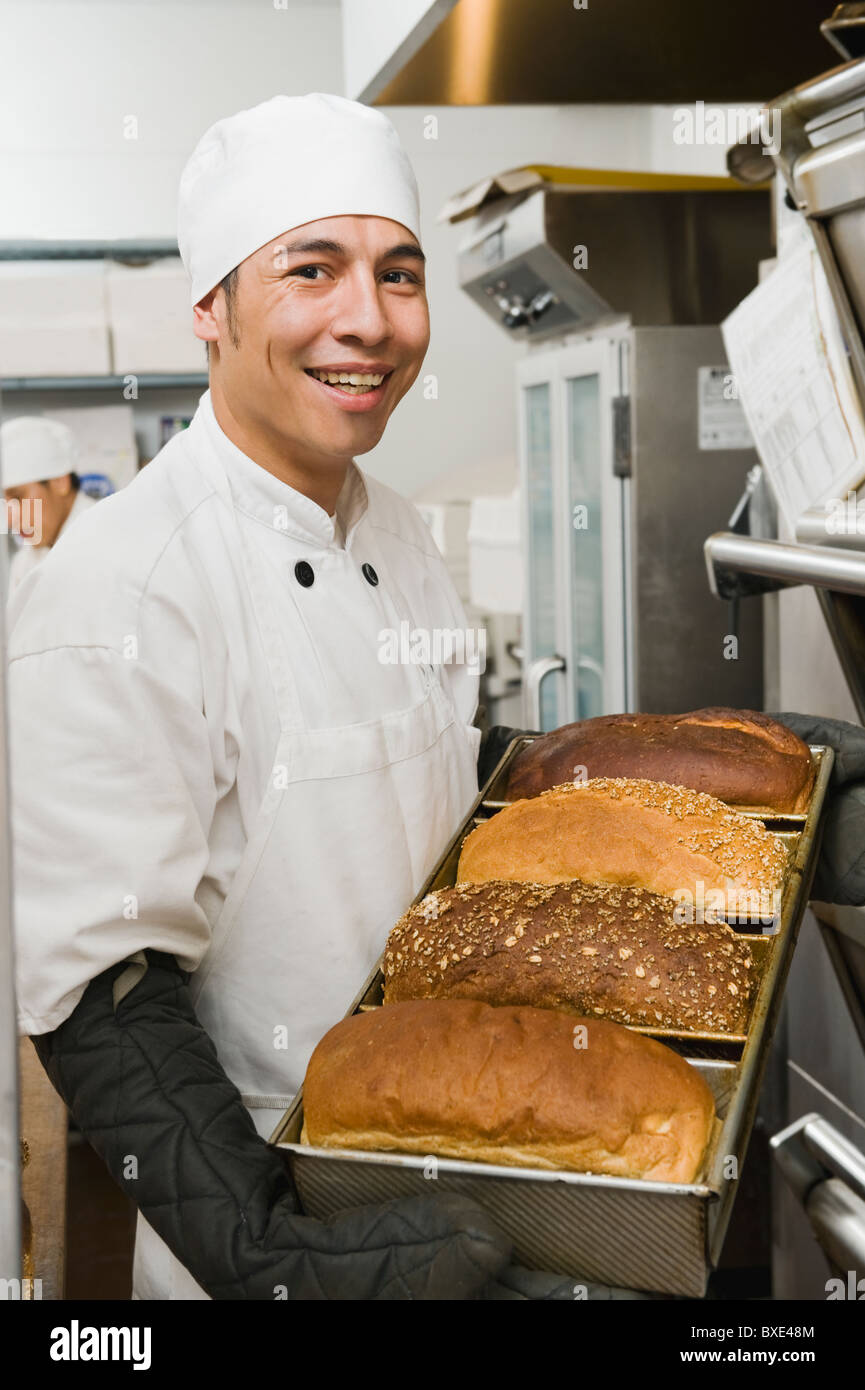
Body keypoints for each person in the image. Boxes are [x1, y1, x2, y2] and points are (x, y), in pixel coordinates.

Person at [11, 92, 865, 1303]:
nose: (367, 320)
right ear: (210, 306)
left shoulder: (395, 530)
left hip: (485, 1144)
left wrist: (751, 814)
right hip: (293, 1191)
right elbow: (100, 991)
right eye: (312, 270)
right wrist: (262, 1248)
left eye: (398, 274)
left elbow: (431, 781)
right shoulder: (123, 586)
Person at [1, 416, 97, 599]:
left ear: (60, 482)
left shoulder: (106, 542)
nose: (11, 518)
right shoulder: (24, 562)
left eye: (19, 498)